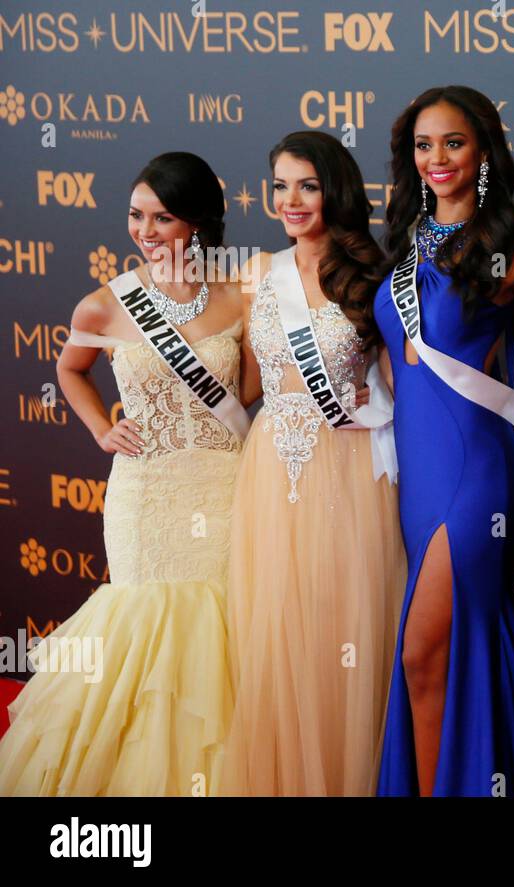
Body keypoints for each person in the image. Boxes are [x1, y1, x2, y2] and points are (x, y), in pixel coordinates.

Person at [0, 153, 245, 795]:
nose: (145, 230)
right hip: (147, 497)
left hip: (226, 489)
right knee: (147, 633)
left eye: (163, 217)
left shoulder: (239, 297)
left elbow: (247, 394)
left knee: (224, 638)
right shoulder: (104, 305)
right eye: (136, 215)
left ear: (198, 223)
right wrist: (100, 428)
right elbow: (68, 370)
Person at [374, 86, 514, 797]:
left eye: (454, 142)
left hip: (478, 476)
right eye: (424, 145)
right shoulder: (403, 241)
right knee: (441, 657)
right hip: (417, 475)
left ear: (483, 150)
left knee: (422, 653)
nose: (437, 158)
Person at [221, 131, 404, 796]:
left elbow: (400, 388)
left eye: (307, 185)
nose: (291, 200)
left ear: (336, 190)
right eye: (280, 186)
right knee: (272, 637)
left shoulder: (373, 277)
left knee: (339, 635)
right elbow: (243, 386)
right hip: (271, 472)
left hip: (349, 469)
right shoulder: (254, 276)